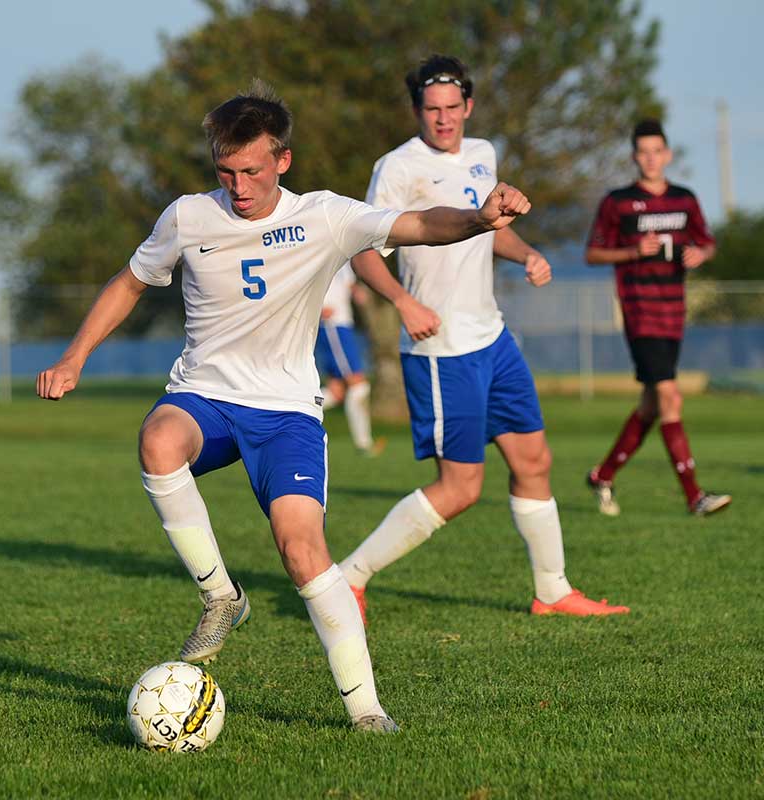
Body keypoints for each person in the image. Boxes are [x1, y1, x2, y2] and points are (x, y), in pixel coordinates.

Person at [37, 80, 534, 733]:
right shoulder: (188, 216)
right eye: (226, 171)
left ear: (283, 160)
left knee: (301, 551)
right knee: (158, 439)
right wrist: (74, 357)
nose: (238, 186)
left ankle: (366, 710)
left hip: (286, 413)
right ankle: (221, 597)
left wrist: (479, 219)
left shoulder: (324, 216)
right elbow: (130, 282)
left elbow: (415, 224)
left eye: (252, 171)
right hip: (205, 397)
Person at [340, 55, 629, 623]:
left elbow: (489, 229)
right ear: (417, 111)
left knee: (534, 459)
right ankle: (349, 577)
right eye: (432, 109)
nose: (444, 119)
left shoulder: (483, 153)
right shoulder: (397, 167)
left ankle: (552, 591)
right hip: (441, 349)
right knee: (461, 488)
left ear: (468, 106)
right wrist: (403, 302)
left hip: (492, 339)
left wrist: (527, 253)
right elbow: (361, 250)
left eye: (453, 107)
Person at [584, 120, 730, 518]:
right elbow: (592, 253)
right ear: (634, 157)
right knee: (670, 397)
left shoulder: (685, 199)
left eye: (656, 151)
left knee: (651, 405)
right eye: (643, 152)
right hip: (639, 310)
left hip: (673, 310)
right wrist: (634, 251)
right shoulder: (618, 202)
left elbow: (707, 243)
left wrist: (700, 254)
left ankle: (602, 475)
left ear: (667, 155)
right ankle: (694, 496)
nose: (650, 159)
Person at [315, 263, 378, 452]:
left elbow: (348, 282)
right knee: (358, 384)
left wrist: (358, 291)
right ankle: (364, 444)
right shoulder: (316, 250)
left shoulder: (345, 256)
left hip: (344, 323)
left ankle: (291, 412)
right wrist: (318, 307)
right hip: (332, 324)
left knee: (336, 392)